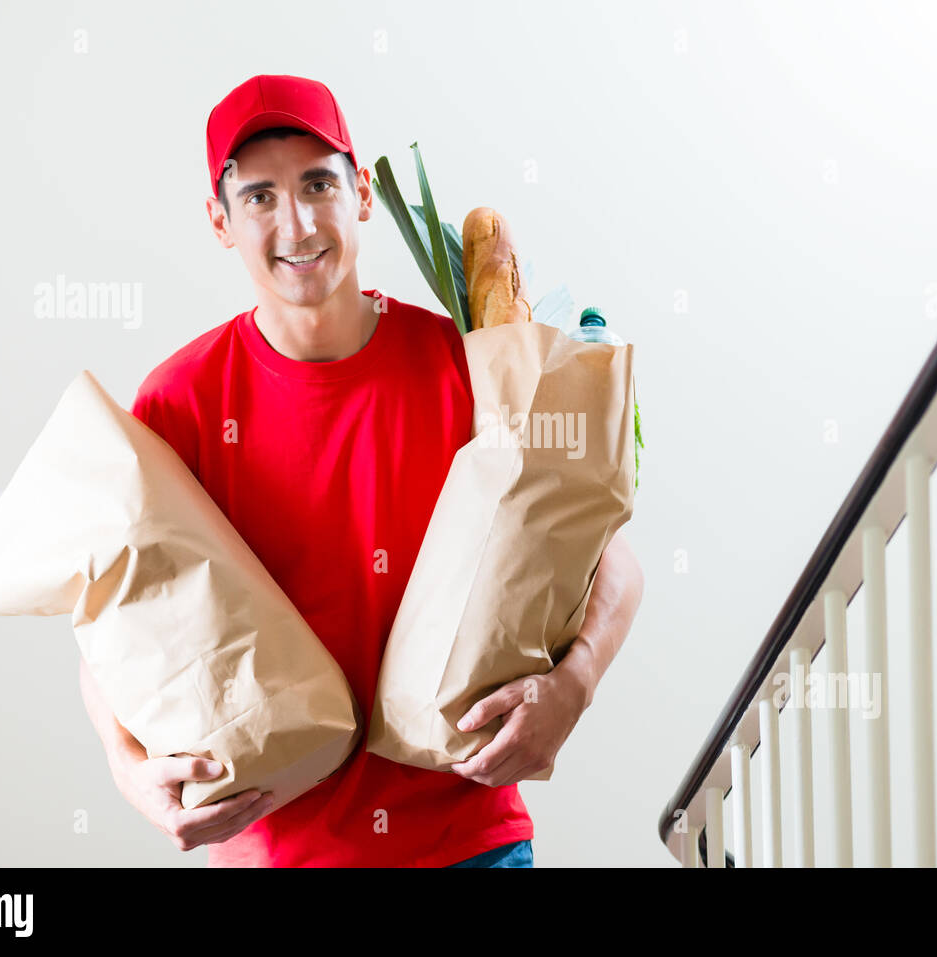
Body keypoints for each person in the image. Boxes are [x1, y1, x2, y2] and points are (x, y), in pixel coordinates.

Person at [77, 74, 644, 867]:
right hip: (273, 856)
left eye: (318, 183)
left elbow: (608, 554)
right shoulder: (182, 403)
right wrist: (130, 770)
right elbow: (112, 627)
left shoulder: (472, 363)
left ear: (364, 193)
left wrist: (575, 683)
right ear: (220, 220)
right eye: (260, 197)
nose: (298, 222)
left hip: (467, 844)